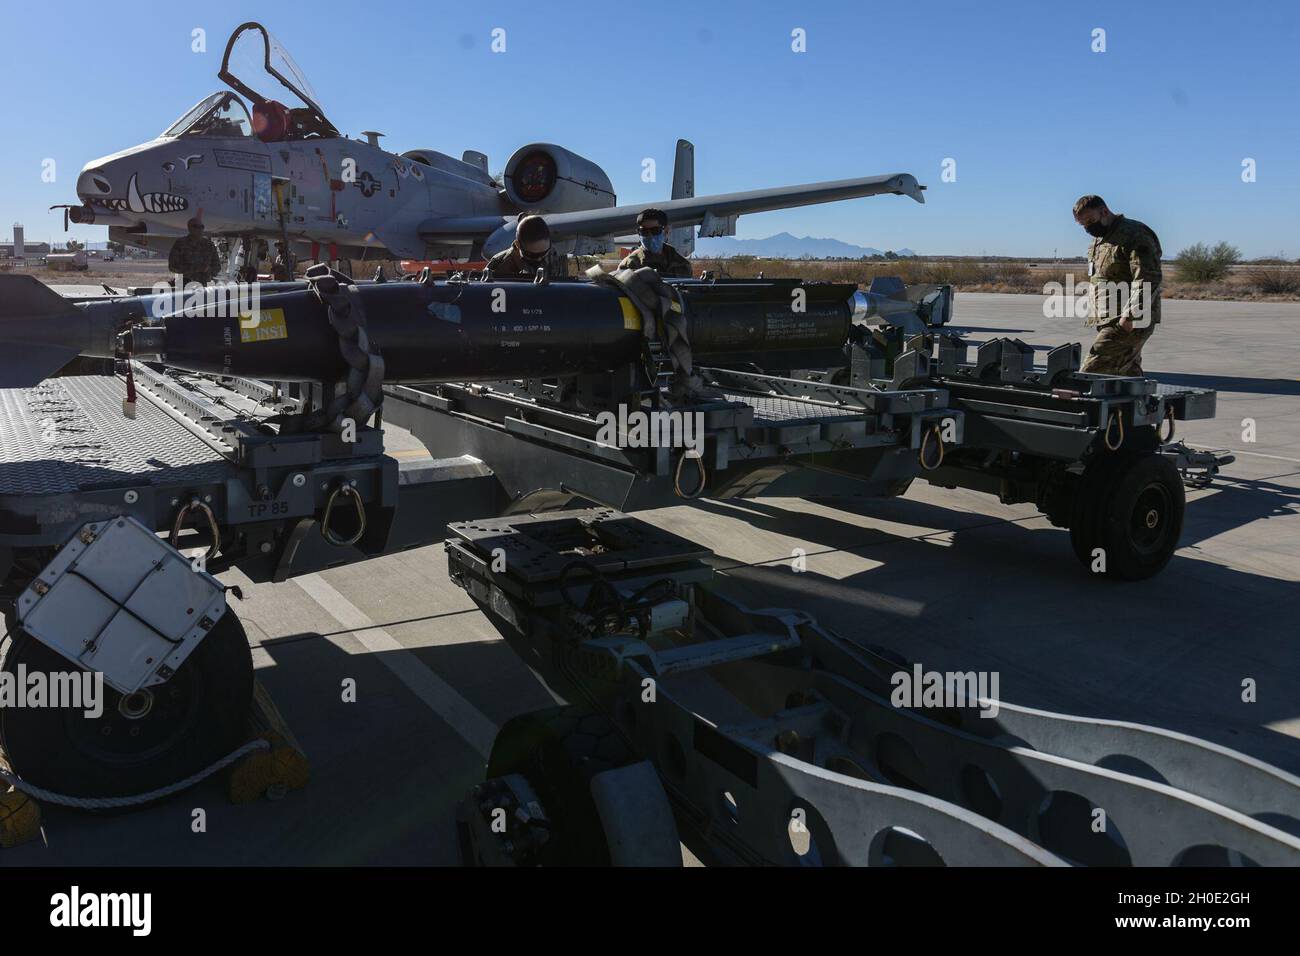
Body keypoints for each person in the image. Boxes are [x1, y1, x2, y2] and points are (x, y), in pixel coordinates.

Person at [1073, 195, 1162, 376]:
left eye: (1090, 221)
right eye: (1083, 225)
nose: (1088, 228)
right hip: (1108, 318)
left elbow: (1147, 277)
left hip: (1126, 321)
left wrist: (1131, 315)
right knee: (1126, 376)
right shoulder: (1100, 239)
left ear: (1104, 211)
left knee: (1090, 374)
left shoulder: (1133, 234)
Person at [483, 214, 569, 279]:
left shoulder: (552, 254)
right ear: (518, 245)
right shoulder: (499, 264)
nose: (539, 259)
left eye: (543, 253)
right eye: (533, 255)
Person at [618, 208, 692, 277]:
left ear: (666, 230)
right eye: (644, 231)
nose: (649, 235)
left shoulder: (682, 264)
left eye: (655, 230)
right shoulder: (629, 265)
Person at [167, 217, 223, 286]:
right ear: (189, 228)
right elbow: (172, 266)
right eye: (196, 226)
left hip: (205, 286)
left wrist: (208, 269)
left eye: (201, 227)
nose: (199, 229)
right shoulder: (181, 243)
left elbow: (217, 267)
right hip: (186, 285)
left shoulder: (209, 244)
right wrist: (194, 268)